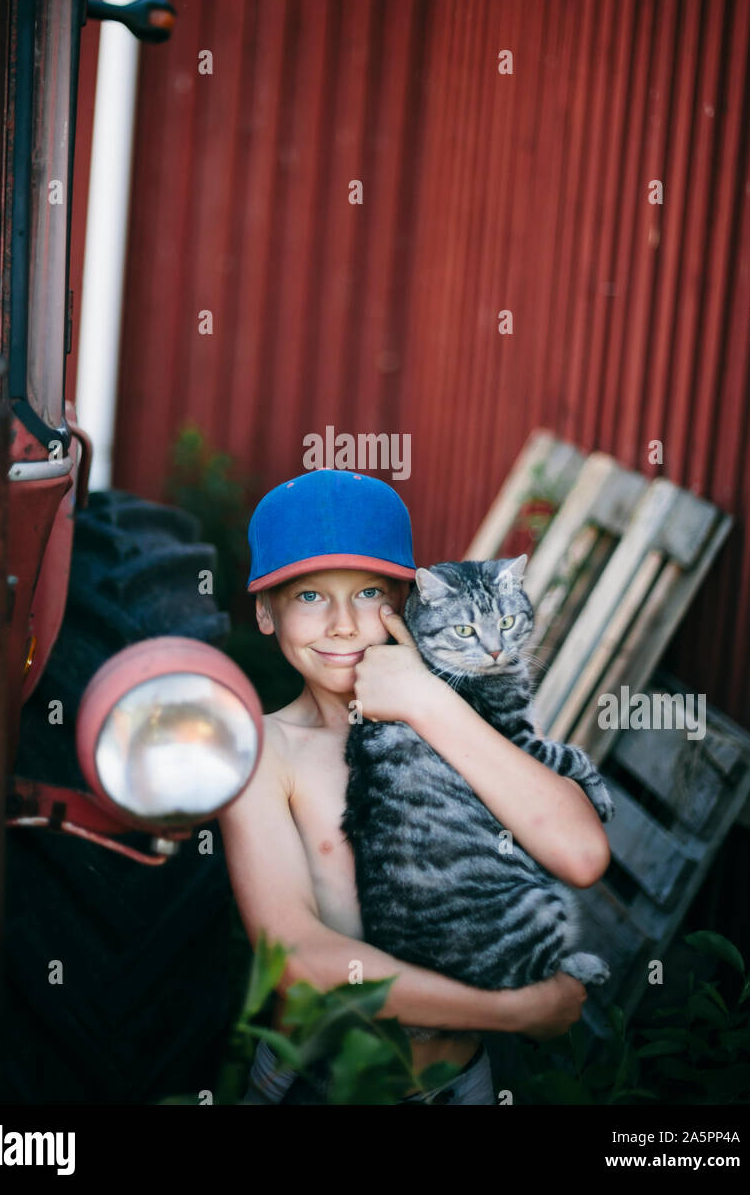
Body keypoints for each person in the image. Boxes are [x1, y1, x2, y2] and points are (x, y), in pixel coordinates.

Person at [217, 469, 610, 1105]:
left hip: (461, 1085)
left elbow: (582, 855)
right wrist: (514, 1012)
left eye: (368, 593)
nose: (343, 625)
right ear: (265, 611)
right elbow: (300, 963)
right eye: (310, 596)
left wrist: (428, 702)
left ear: (408, 604)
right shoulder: (265, 752)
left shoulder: (462, 719)